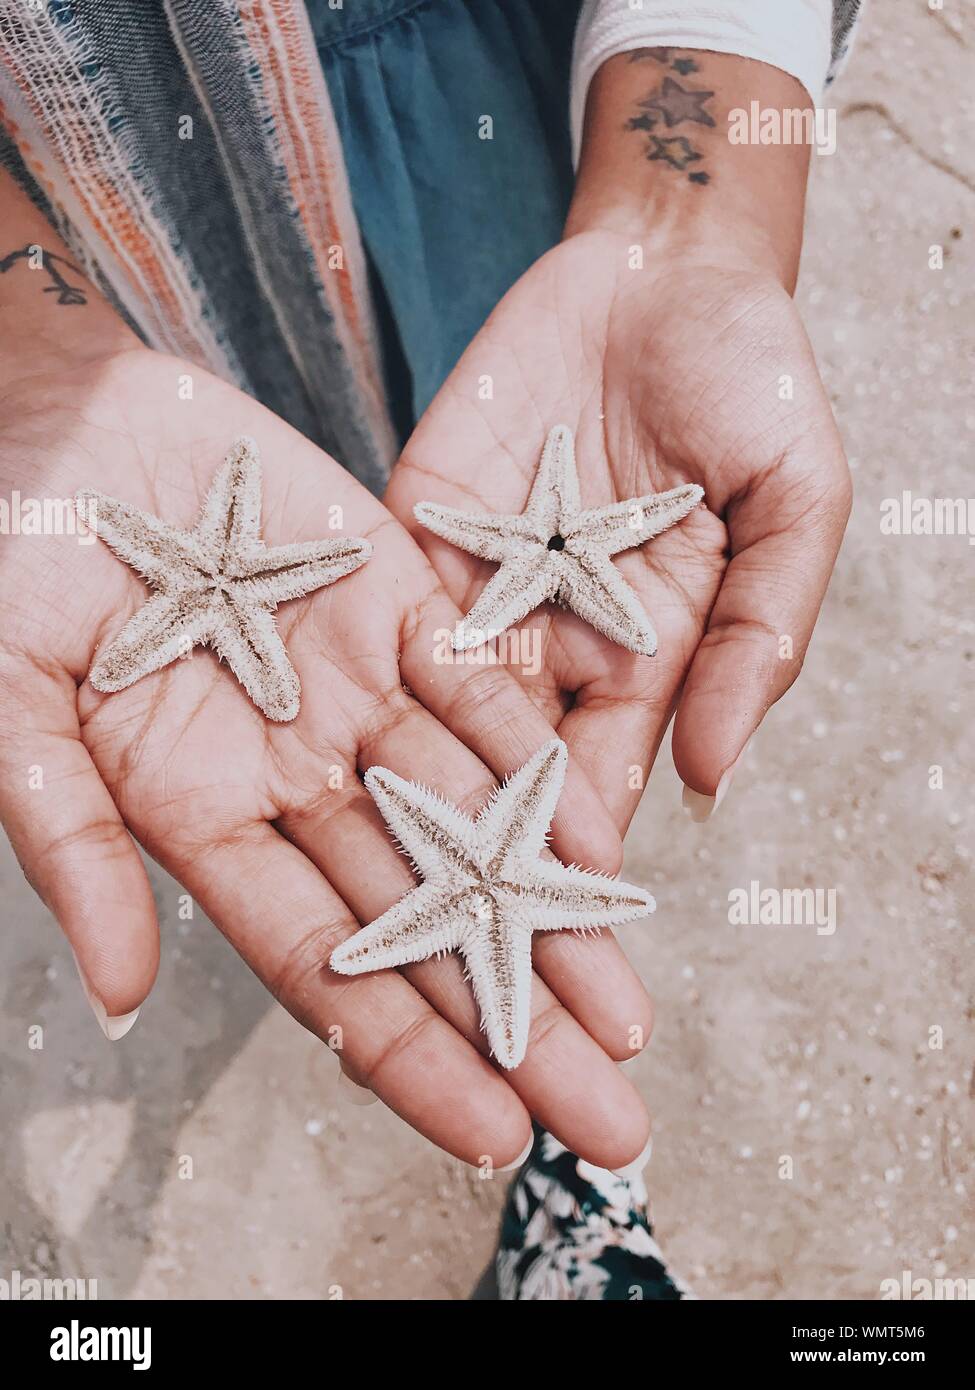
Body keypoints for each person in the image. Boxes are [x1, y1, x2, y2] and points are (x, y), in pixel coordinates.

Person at [0, 0, 862, 1298]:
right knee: (352, 531)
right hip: (114, 217)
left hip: (509, 91)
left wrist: (694, 208)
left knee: (487, 413)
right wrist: (25, 356)